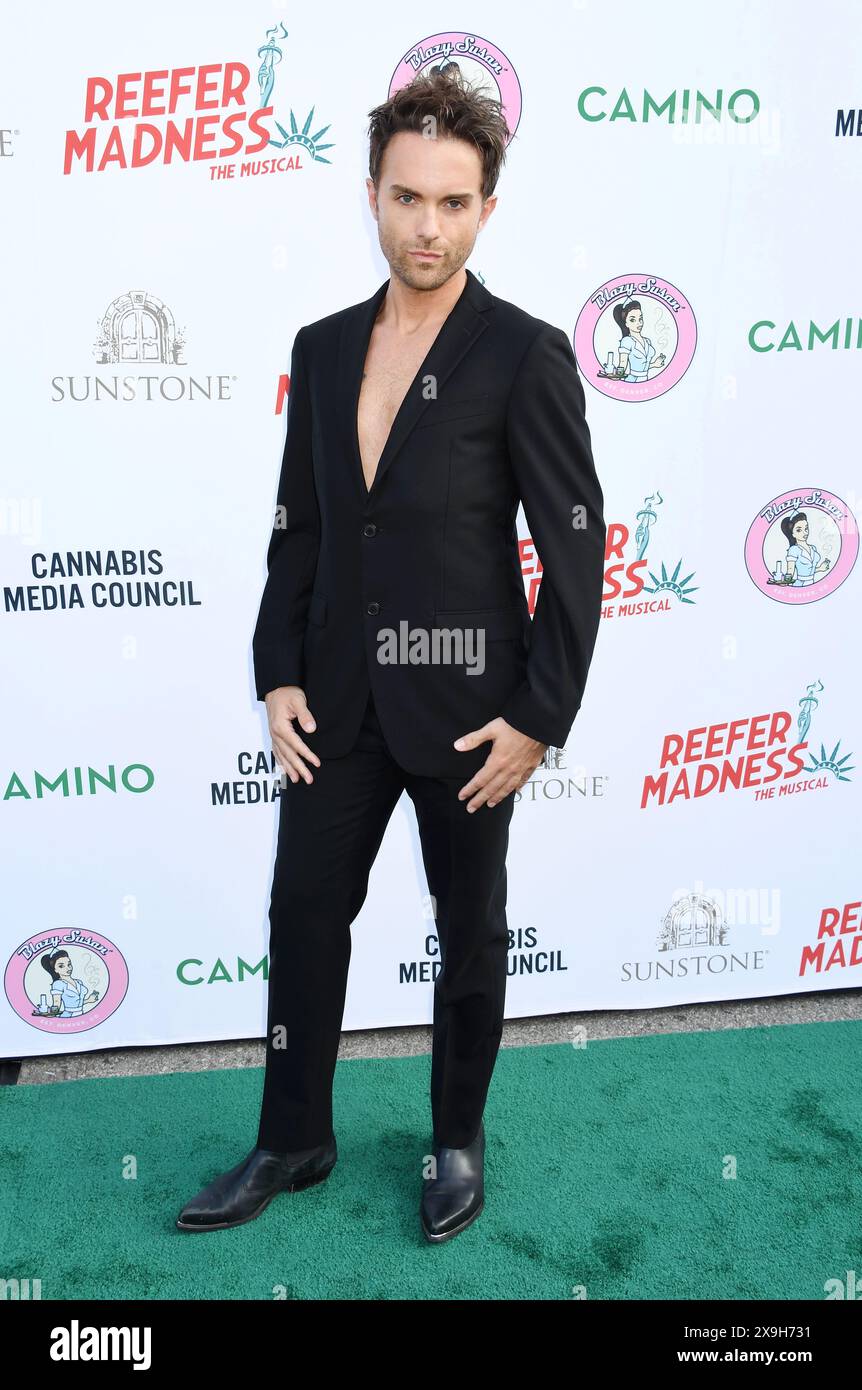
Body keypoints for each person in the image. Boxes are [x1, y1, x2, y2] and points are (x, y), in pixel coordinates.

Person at [177, 65, 606, 1244]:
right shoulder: (320, 351)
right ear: (371, 193)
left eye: (452, 203)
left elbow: (573, 551)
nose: (426, 226)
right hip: (332, 704)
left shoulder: (523, 355)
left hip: (472, 714)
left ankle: (455, 1139)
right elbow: (298, 526)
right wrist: (278, 672)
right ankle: (292, 1135)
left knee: (467, 931)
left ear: (485, 210)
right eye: (407, 198)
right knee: (302, 912)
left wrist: (538, 713)